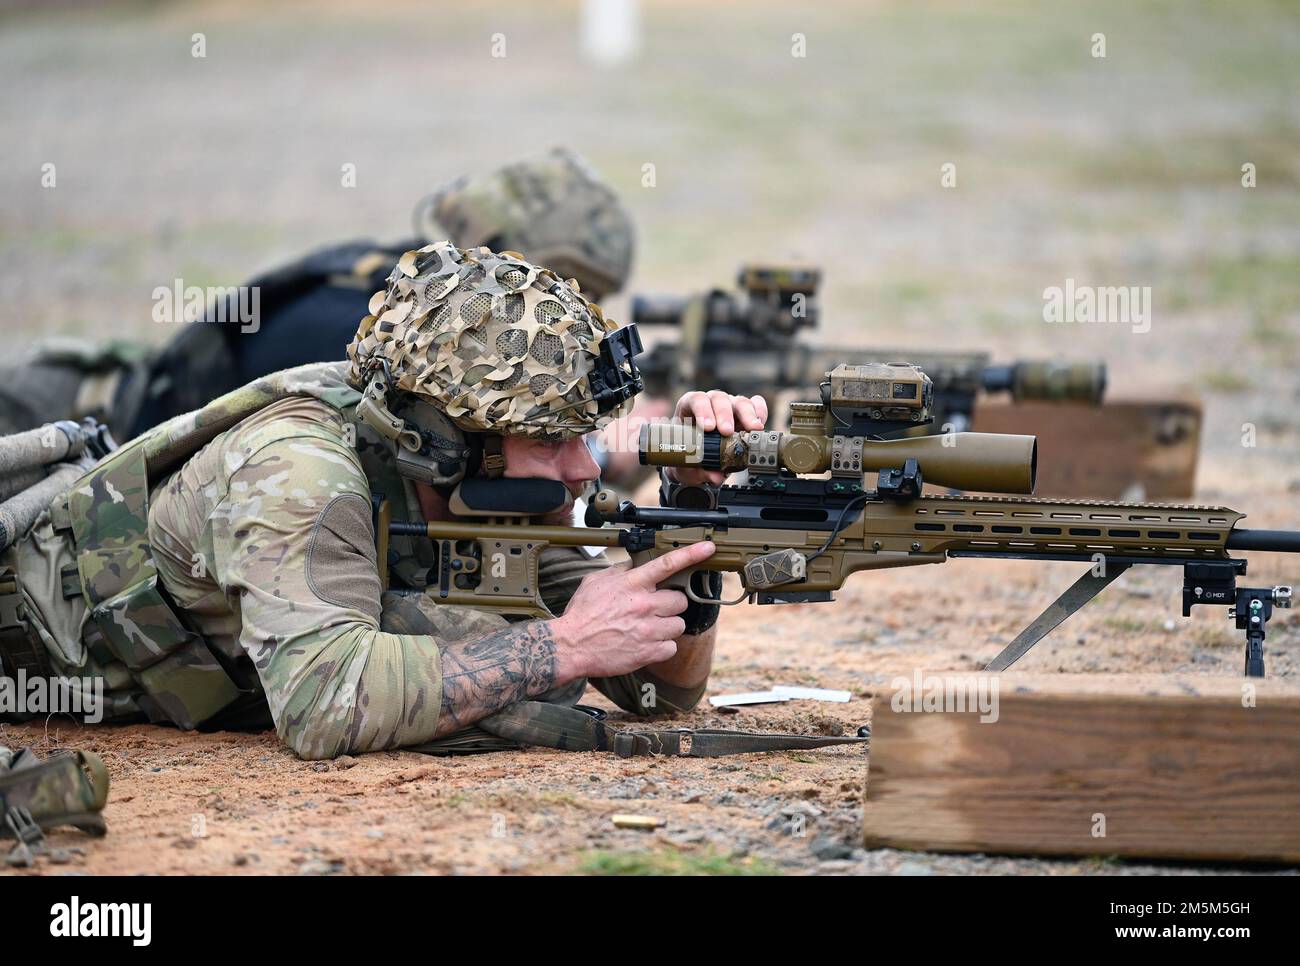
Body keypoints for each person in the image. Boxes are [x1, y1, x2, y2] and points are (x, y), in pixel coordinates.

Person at [0, 242, 768, 760]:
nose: (580, 470)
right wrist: (562, 647)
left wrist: (688, 524)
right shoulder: (301, 469)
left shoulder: (493, 486)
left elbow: (658, 692)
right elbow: (323, 705)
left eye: (581, 438)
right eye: (550, 441)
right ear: (442, 437)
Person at [0, 148, 635, 440]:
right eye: (551, 287)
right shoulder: (384, 332)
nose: (559, 312)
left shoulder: (420, 302)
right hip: (59, 422)